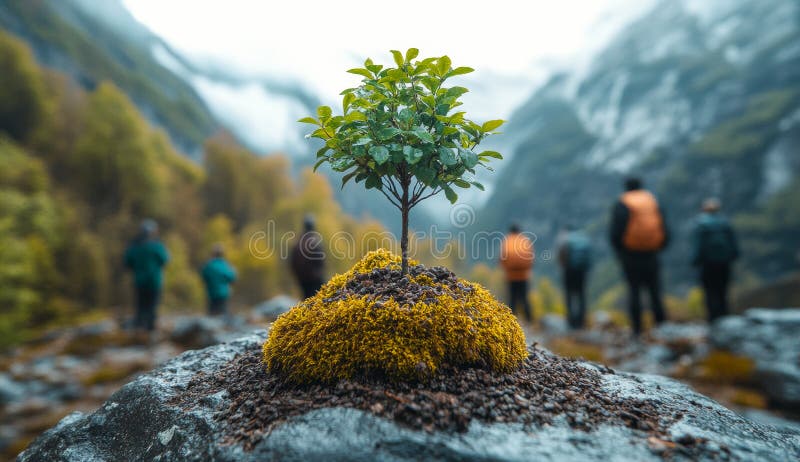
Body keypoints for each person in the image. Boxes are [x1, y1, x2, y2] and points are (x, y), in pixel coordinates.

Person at [609, 177, 669, 337]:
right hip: (651, 253)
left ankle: (637, 329)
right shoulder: (652, 201)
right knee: (655, 290)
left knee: (634, 290)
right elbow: (664, 226)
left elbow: (616, 231)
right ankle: (661, 326)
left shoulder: (623, 203)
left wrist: (620, 251)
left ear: (626, 187)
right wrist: (659, 246)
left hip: (630, 255)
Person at [691, 198, 739, 322]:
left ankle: (713, 319)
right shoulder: (725, 223)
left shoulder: (701, 224)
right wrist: (732, 257)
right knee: (722, 290)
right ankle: (725, 318)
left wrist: (695, 261)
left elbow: (698, 245)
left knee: (709, 291)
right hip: (724, 263)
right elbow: (734, 244)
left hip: (707, 264)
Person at [124, 219, 169, 333]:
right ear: (153, 232)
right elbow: (165, 259)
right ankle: (150, 330)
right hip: (154, 280)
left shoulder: (135, 246)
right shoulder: (157, 246)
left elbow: (127, 262)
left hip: (139, 280)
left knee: (140, 305)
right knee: (152, 306)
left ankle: (139, 329)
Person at [558, 225, 592, 329]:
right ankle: (581, 321)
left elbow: (561, 255)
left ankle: (571, 321)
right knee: (581, 294)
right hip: (582, 271)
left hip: (569, 270)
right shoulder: (584, 238)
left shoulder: (566, 239)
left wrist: (563, 266)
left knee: (569, 294)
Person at [499, 224, 535, 323]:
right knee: (524, 298)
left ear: (510, 231)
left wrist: (506, 269)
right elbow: (531, 258)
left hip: (510, 275)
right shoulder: (524, 240)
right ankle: (529, 320)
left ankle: (511, 321)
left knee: (512, 298)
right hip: (523, 275)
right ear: (519, 231)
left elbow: (502, 258)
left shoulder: (507, 240)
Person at [290, 215, 325, 299]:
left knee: (306, 299)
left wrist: (298, 277)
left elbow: (292, 262)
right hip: (315, 279)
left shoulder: (298, 241)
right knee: (319, 299)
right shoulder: (314, 241)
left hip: (302, 280)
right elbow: (321, 261)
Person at [201, 243, 237, 317]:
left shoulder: (208, 265)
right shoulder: (225, 265)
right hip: (223, 294)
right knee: (222, 317)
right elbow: (232, 278)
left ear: (213, 254)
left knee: (212, 316)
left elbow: (203, 276)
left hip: (211, 294)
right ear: (222, 254)